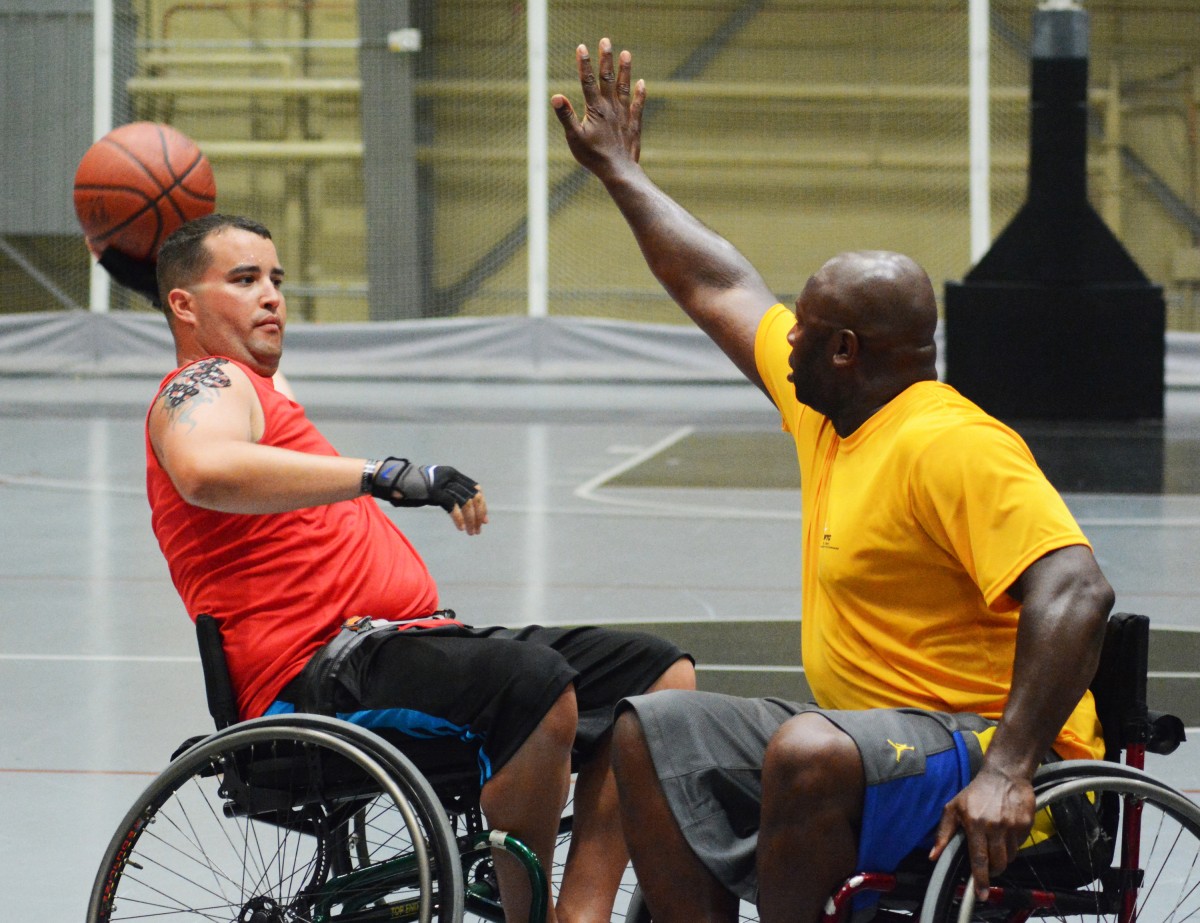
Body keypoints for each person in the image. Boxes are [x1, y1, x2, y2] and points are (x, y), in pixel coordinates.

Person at [550, 39, 1115, 923]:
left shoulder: (953, 442)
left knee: (808, 750)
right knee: (650, 729)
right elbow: (715, 281)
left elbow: (1078, 586)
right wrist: (618, 170)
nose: (785, 337)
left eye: (803, 326)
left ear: (845, 351)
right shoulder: (830, 410)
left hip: (986, 746)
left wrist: (1009, 767)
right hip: (879, 735)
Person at [143, 212, 696, 923]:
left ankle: (578, 911)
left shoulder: (263, 394)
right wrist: (380, 473)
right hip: (314, 675)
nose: (272, 295)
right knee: (534, 688)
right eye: (245, 279)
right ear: (183, 305)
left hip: (399, 645)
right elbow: (203, 467)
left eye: (276, 279)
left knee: (657, 675)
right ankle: (526, 908)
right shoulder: (203, 383)